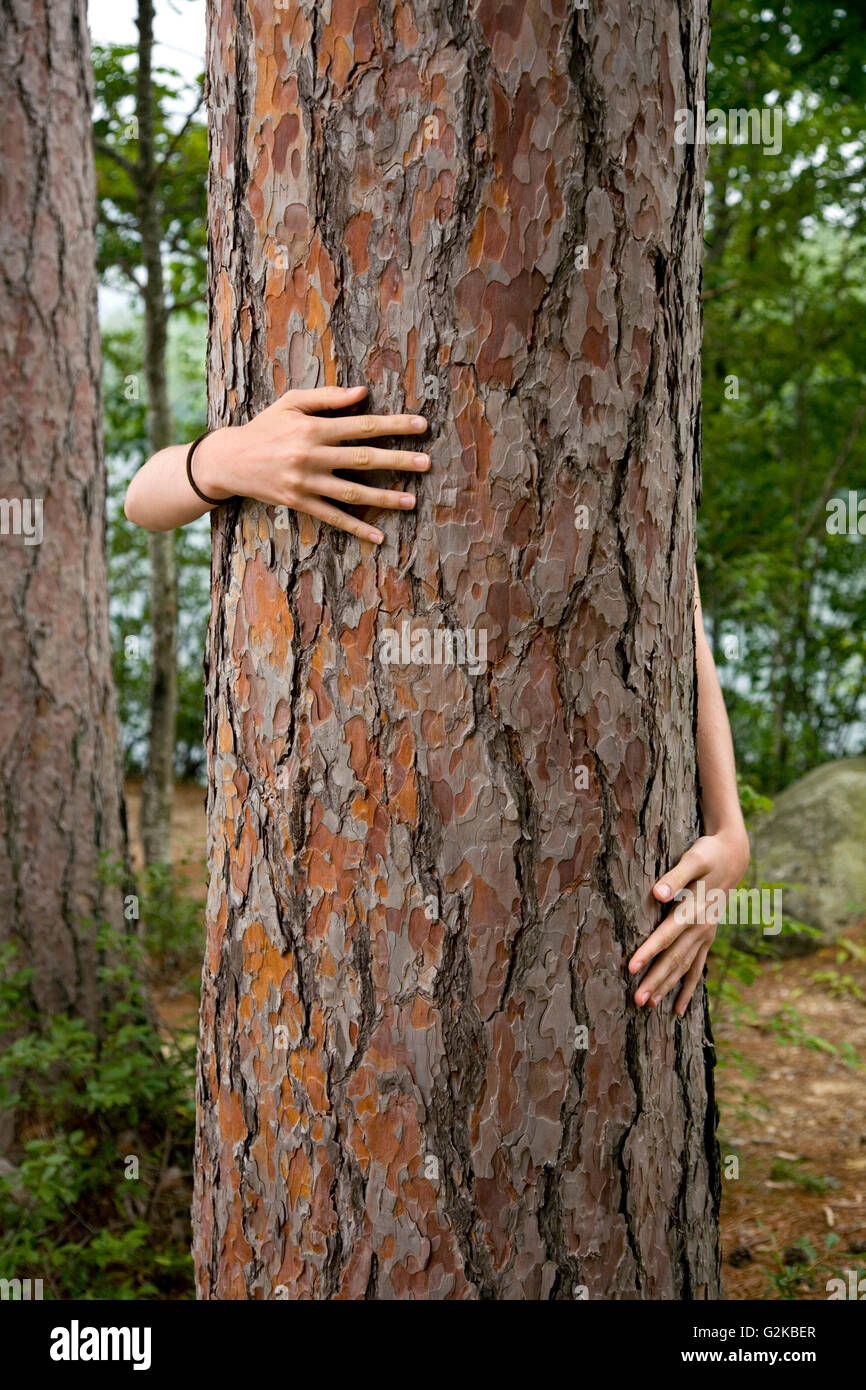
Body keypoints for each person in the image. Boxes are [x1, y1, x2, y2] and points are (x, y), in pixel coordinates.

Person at [125, 383, 750, 1017]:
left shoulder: (623, 420)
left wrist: (731, 833)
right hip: (316, 889)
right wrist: (223, 457)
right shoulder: (281, 417)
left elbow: (678, 611)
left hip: (597, 906)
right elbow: (142, 499)